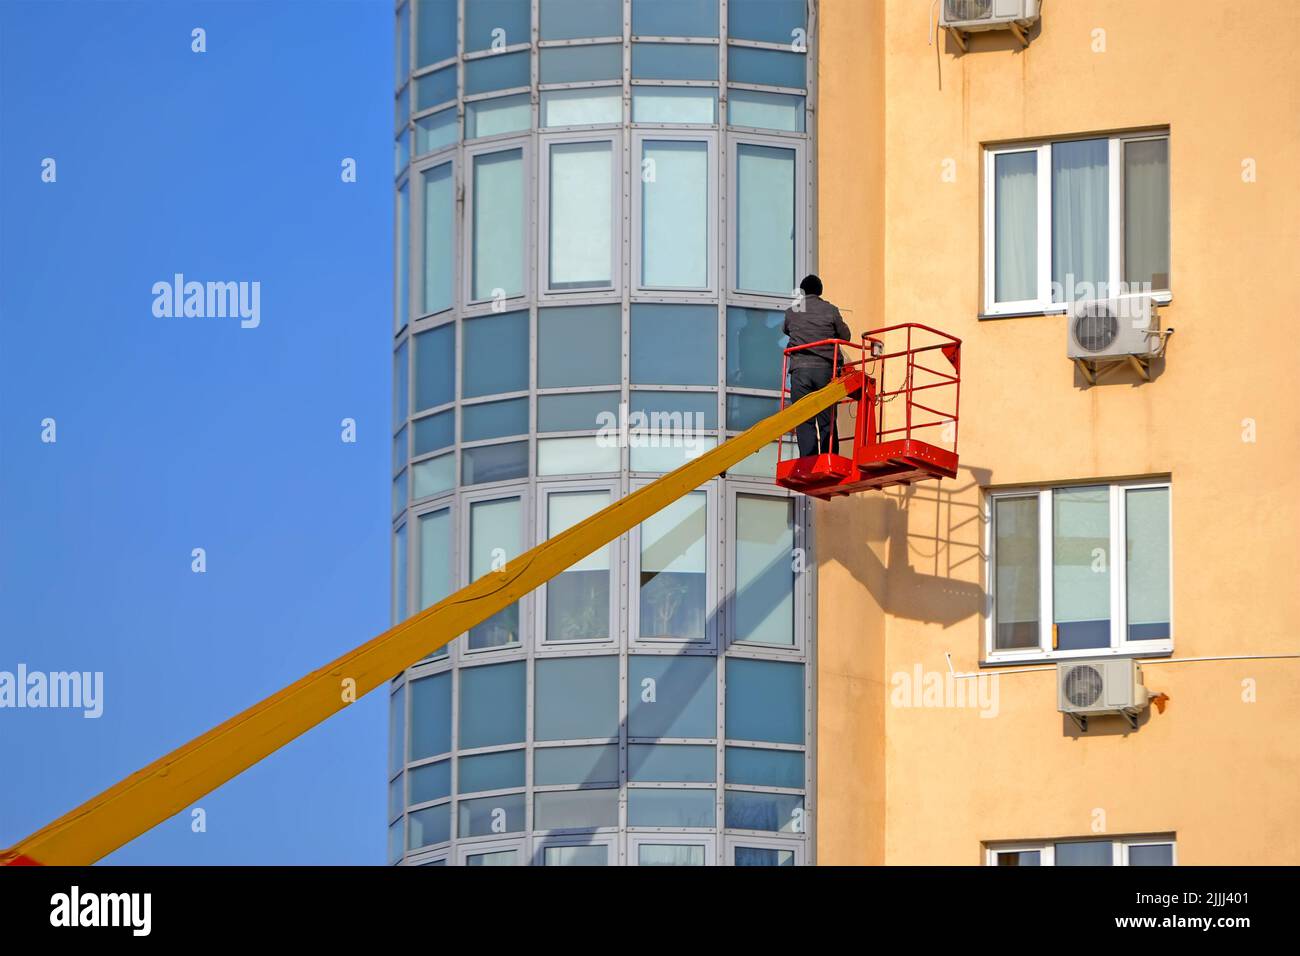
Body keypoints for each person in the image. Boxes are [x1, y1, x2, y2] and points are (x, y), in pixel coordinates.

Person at [783, 274, 852, 457]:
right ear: (820, 291)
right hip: (825, 371)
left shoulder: (792, 311)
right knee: (827, 418)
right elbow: (846, 336)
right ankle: (829, 455)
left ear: (803, 291)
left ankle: (809, 458)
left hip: (800, 371)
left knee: (803, 416)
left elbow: (785, 328)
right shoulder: (831, 310)